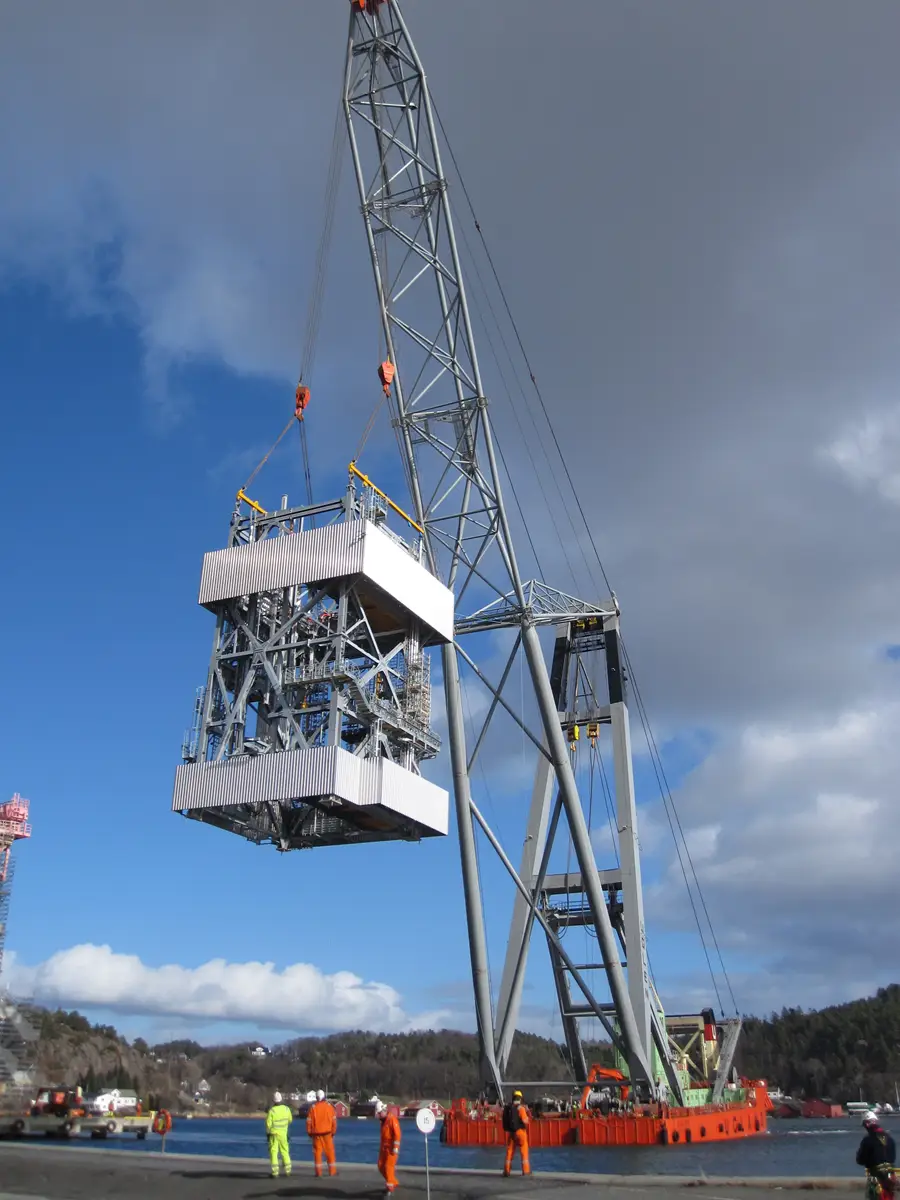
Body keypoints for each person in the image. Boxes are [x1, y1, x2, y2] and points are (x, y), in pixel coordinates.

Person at [856, 1111, 896, 1200]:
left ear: (866, 1124)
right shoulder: (890, 1138)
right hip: (891, 1176)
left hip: (876, 1176)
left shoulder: (867, 1140)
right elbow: (892, 1158)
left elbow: (860, 1160)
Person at [307, 1088, 338, 1177]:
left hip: (316, 1135)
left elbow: (309, 1121)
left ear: (317, 1097)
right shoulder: (329, 1107)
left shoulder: (313, 1108)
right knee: (330, 1153)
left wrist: (309, 1132)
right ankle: (332, 1172)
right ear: (324, 1096)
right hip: (328, 1134)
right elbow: (334, 1121)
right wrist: (333, 1132)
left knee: (317, 1154)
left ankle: (318, 1172)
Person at [501, 1089, 531, 1177]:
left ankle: (507, 1171)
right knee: (524, 1150)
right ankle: (526, 1171)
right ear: (520, 1098)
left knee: (510, 1151)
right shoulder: (520, 1108)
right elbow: (525, 1121)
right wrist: (528, 1115)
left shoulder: (509, 1108)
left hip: (511, 1133)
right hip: (520, 1132)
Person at [265, 1091, 294, 1178]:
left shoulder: (272, 1111)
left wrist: (267, 1134)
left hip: (273, 1134)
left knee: (274, 1152)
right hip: (283, 1134)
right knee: (285, 1151)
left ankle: (275, 1172)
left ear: (274, 1101)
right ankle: (288, 1170)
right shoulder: (286, 1109)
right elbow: (290, 1120)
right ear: (281, 1099)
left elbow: (268, 1124)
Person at [376, 1100, 401, 1194]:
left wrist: (396, 1147)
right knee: (380, 1166)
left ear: (383, 1111)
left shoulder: (392, 1120)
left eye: (379, 1113)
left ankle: (390, 1187)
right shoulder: (383, 1121)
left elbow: (397, 1134)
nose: (378, 1115)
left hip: (391, 1148)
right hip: (384, 1148)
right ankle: (393, 1182)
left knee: (388, 1167)